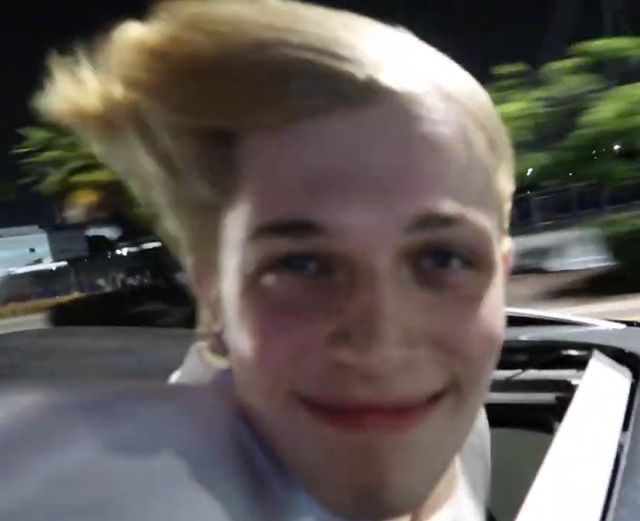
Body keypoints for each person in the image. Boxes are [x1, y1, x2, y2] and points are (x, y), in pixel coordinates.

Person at [0, 1, 514, 520]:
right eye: (302, 265)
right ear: (214, 300)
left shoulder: (458, 427)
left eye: (443, 258)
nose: (381, 339)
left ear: (502, 278)